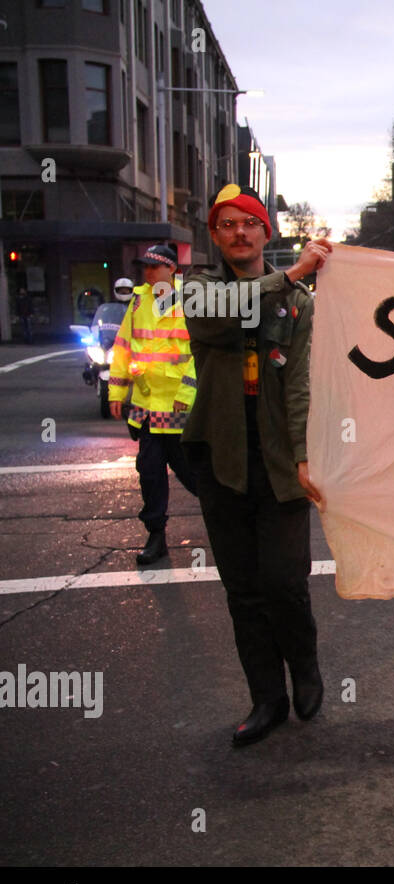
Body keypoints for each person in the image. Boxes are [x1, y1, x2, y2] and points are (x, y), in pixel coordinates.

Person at [181, 184, 332, 747]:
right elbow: (218, 320)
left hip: (276, 463)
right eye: (226, 225)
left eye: (249, 223)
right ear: (215, 236)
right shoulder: (198, 288)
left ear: (265, 231)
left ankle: (306, 667)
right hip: (221, 460)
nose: (239, 233)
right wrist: (292, 273)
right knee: (242, 590)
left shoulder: (300, 304)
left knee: (283, 583)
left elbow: (298, 385)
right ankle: (266, 697)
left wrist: (302, 456)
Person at [107, 244, 199, 565]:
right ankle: (156, 535)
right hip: (146, 408)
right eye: (144, 267)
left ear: (171, 269)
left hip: (175, 408)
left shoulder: (189, 300)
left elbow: (199, 355)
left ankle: (230, 517)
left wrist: (185, 397)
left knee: (190, 473)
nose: (147, 272)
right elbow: (122, 348)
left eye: (154, 267)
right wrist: (117, 393)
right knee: (149, 472)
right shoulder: (138, 301)